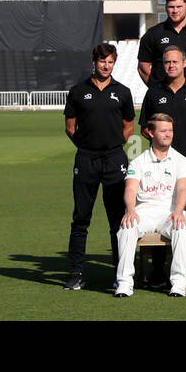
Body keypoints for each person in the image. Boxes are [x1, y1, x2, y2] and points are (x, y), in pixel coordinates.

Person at [62, 43, 135, 291]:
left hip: (115, 159)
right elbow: (70, 127)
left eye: (111, 62)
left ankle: (120, 273)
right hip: (87, 159)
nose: (106, 66)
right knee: (81, 217)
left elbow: (129, 127)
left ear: (114, 63)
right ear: (94, 61)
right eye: (102, 61)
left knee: (117, 219)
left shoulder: (123, 92)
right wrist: (88, 147)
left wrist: (113, 146)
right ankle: (75, 272)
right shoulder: (78, 91)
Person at [113, 114, 186, 298]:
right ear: (150, 132)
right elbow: (130, 189)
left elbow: (183, 189)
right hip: (145, 212)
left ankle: (179, 283)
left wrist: (179, 211)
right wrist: (131, 210)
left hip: (170, 212)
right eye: (163, 131)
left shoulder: (181, 160)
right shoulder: (138, 161)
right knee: (127, 227)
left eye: (170, 130)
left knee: (182, 228)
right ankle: (124, 283)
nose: (168, 134)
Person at [139, 46, 186, 174]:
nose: (171, 65)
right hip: (162, 159)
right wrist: (161, 143)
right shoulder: (153, 92)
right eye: (167, 62)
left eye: (175, 62)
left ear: (184, 63)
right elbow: (144, 128)